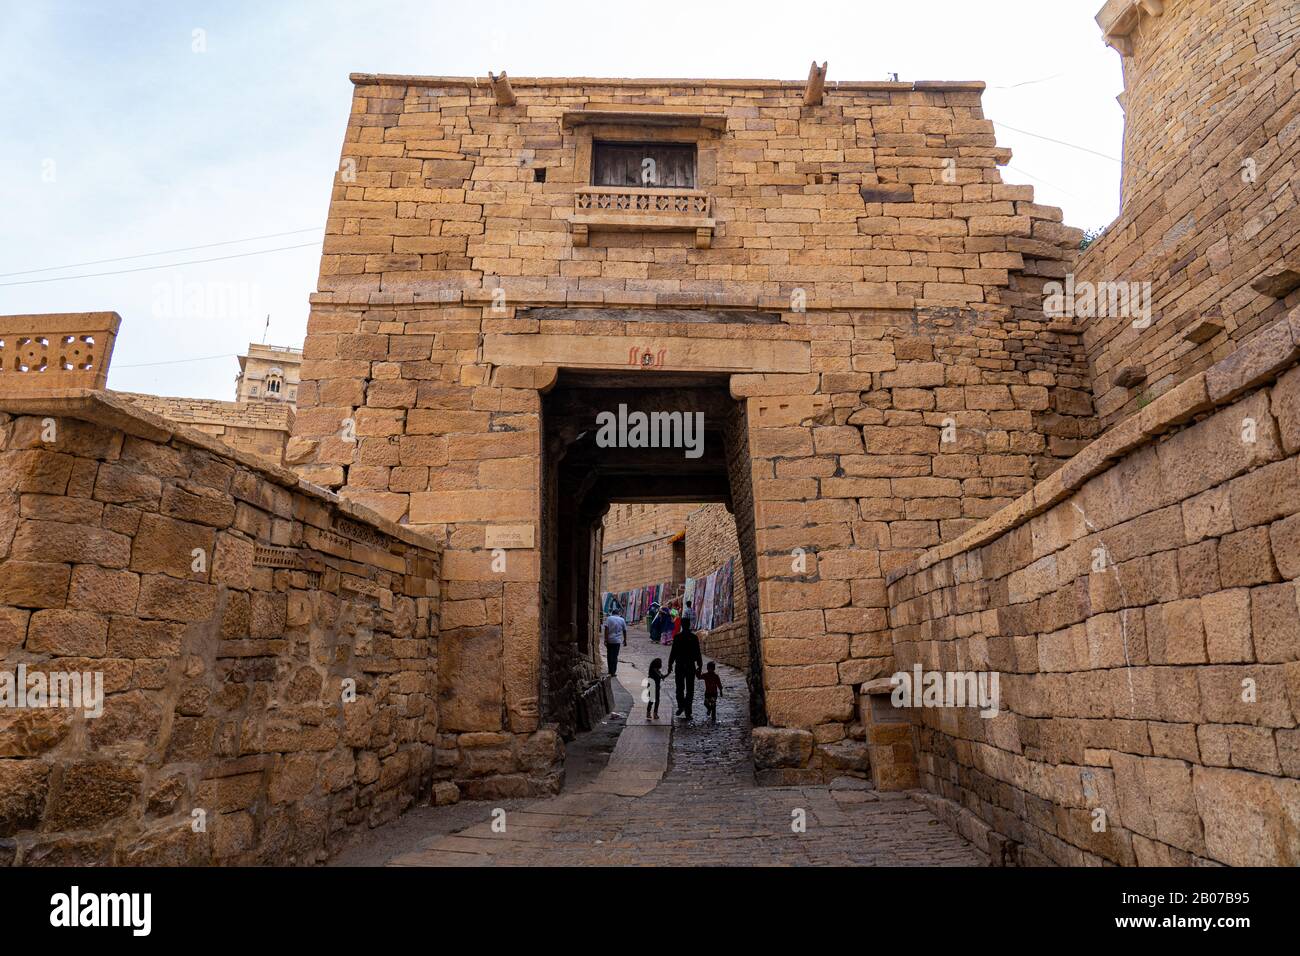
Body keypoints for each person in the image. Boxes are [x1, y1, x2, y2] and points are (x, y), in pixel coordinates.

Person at [666, 620, 703, 721]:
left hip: (680, 666)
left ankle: (681, 706)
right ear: (689, 625)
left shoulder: (678, 637)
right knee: (689, 689)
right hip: (690, 666)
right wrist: (700, 665)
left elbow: (673, 652)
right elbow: (698, 653)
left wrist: (670, 665)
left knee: (680, 688)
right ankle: (687, 711)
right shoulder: (693, 637)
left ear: (682, 625)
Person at [603, 606, 627, 676]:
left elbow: (606, 629)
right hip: (617, 641)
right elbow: (624, 630)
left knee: (609, 655)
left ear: (612, 613)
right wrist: (625, 640)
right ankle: (613, 672)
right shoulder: (622, 619)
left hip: (610, 640)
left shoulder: (609, 618)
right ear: (618, 613)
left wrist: (605, 639)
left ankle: (610, 671)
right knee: (615, 656)